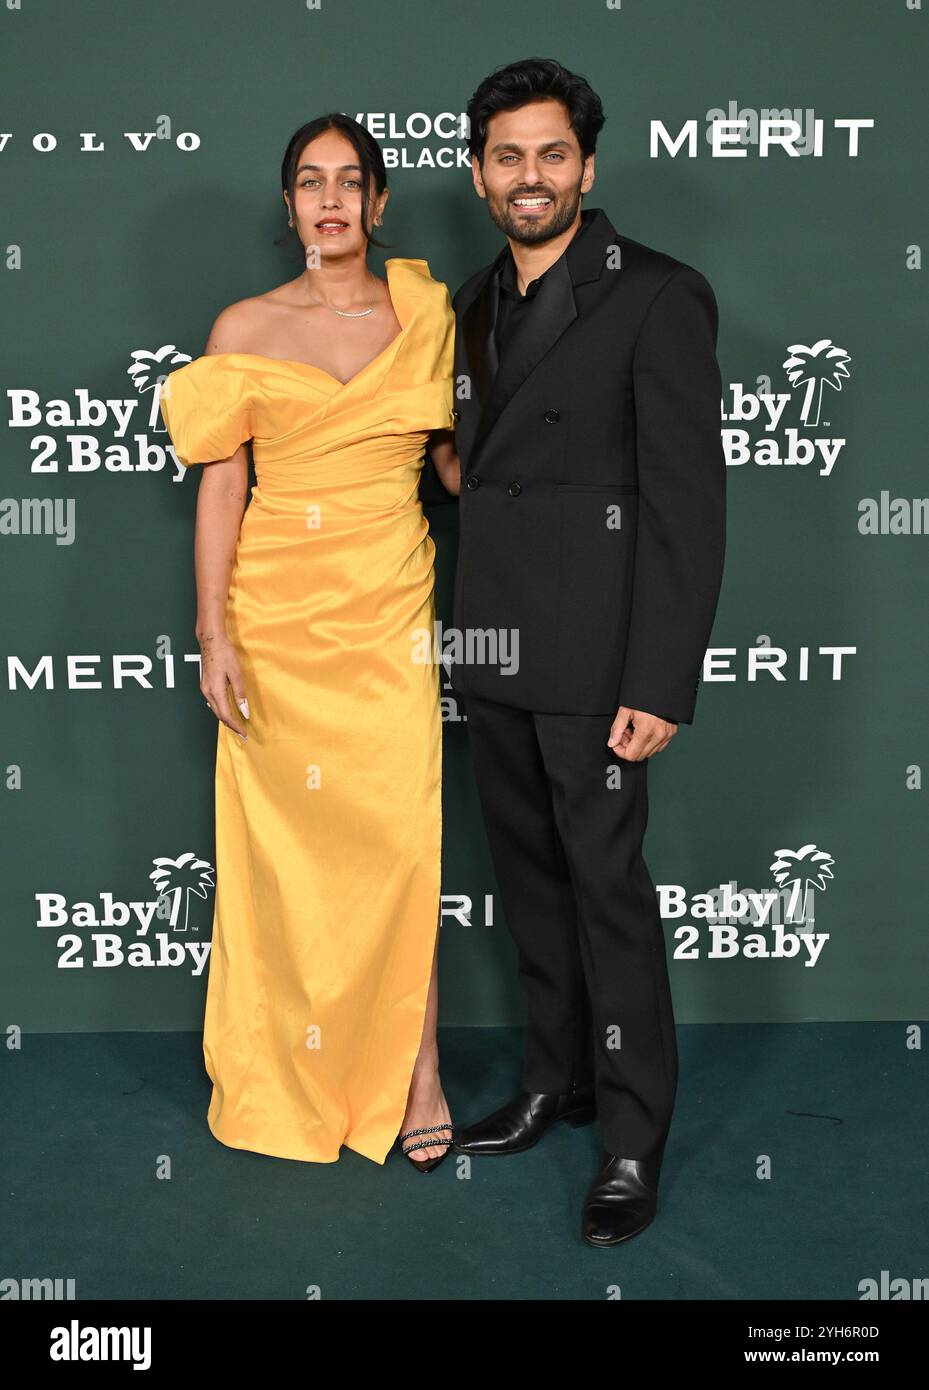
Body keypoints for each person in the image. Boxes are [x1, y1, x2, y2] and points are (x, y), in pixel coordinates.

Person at [429, 58, 727, 1242]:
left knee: (606, 896)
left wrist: (658, 678)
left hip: (599, 665)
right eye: (507, 156)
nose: (529, 176)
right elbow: (469, 470)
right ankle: (557, 1082)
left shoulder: (657, 294)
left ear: (586, 168)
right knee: (533, 890)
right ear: (478, 172)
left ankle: (630, 1139)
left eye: (551, 154)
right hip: (494, 646)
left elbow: (684, 507)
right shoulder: (465, 300)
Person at [159, 114, 460, 1172]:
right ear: (287, 206)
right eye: (307, 182)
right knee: (282, 864)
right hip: (276, 617)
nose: (329, 200)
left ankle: (415, 1070)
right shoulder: (243, 326)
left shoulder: (427, 315)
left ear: (378, 204)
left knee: (398, 845)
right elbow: (224, 480)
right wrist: (212, 629)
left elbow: (457, 461)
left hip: (385, 610)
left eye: (348, 182)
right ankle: (287, 1067)